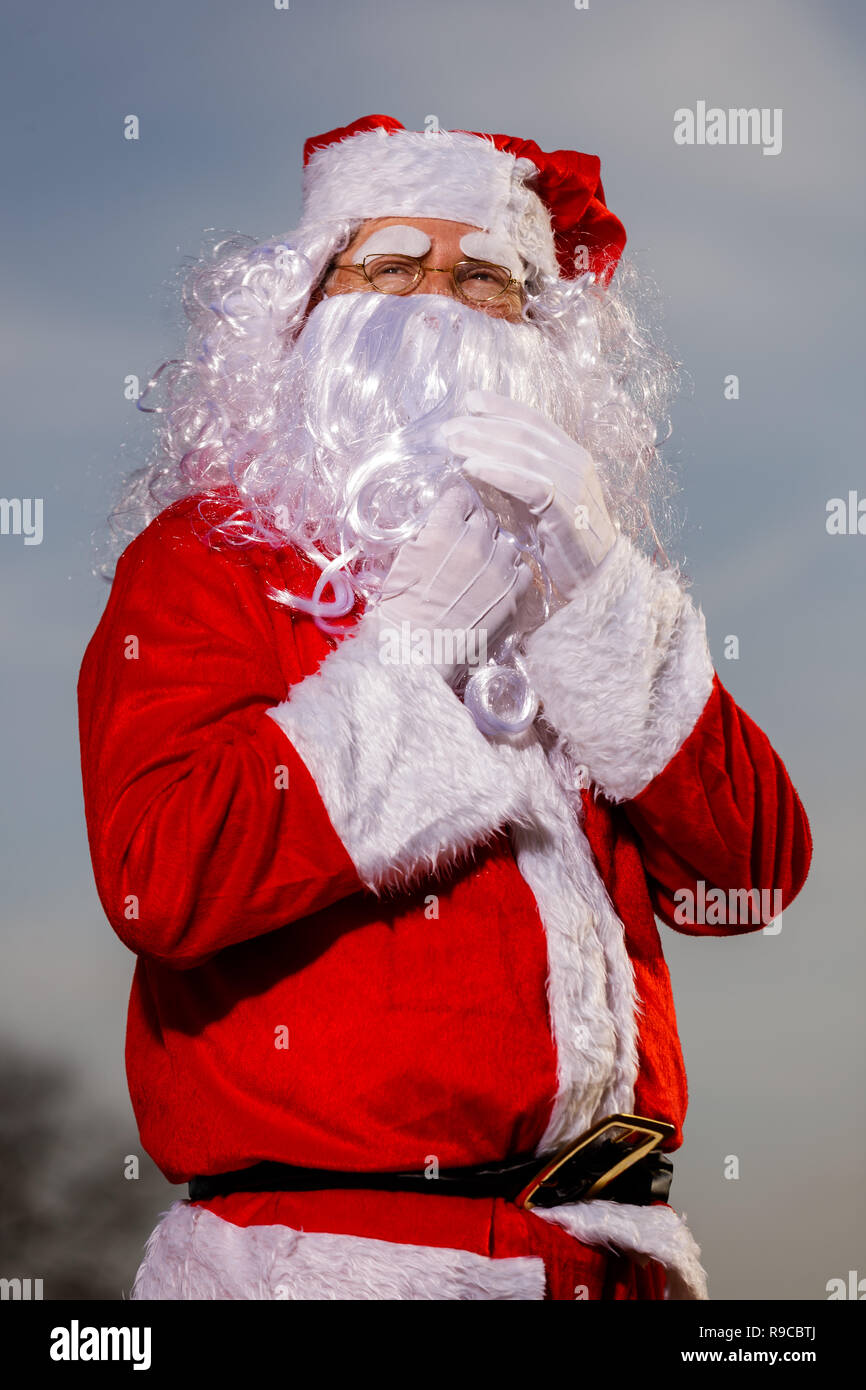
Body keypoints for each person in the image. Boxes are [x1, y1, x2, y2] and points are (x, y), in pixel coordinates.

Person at [77, 113, 812, 1301]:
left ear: (540, 338)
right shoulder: (205, 557)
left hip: (609, 1262)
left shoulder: (576, 576)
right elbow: (158, 876)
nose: (440, 300)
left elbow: (754, 876)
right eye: (391, 264)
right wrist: (409, 667)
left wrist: (602, 597)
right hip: (330, 1267)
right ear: (308, 309)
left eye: (484, 276)